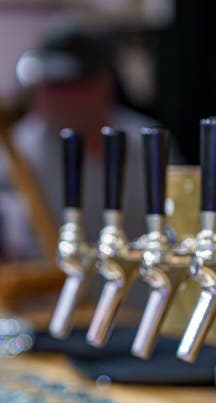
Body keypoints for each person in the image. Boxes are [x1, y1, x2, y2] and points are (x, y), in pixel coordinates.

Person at [0, 21, 181, 261]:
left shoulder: (148, 142)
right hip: (52, 296)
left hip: (144, 294)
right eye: (47, 85)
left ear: (103, 83)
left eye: (67, 86)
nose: (53, 97)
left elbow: (183, 224)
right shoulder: (16, 154)